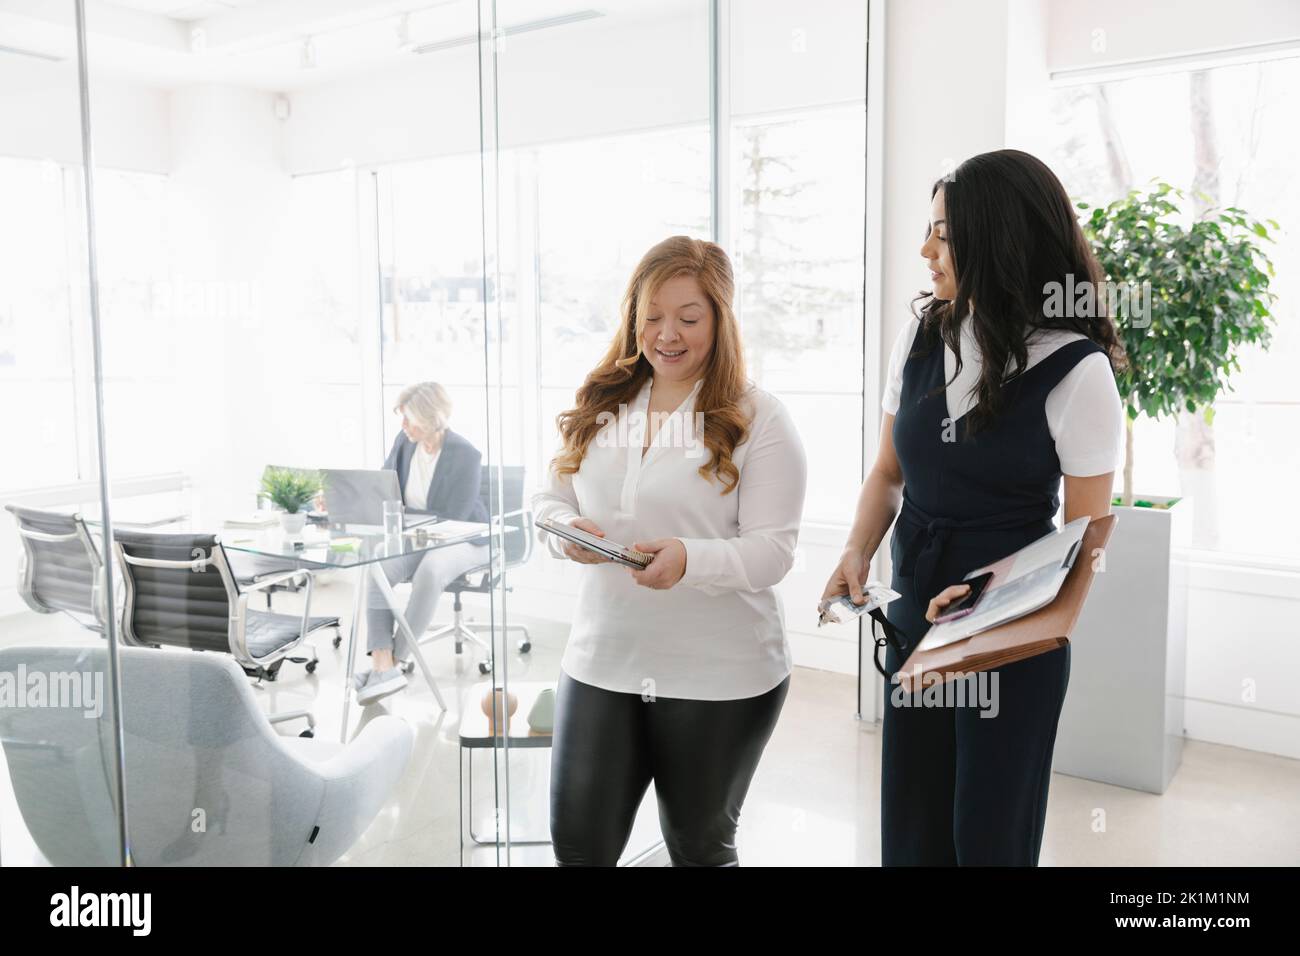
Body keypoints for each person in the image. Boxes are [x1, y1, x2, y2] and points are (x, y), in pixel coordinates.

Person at [822, 149, 1125, 865]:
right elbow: (889, 473)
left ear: (1000, 240)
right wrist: (856, 551)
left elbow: (1086, 543)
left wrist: (987, 593)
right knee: (914, 830)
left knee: (987, 838)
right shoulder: (921, 337)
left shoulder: (1077, 371)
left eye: (944, 235)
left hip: (1011, 633)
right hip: (915, 615)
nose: (925, 251)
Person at [533, 235, 807, 866]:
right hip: (603, 657)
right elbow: (548, 500)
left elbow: (772, 553)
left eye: (690, 317)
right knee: (578, 845)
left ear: (722, 319)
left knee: (698, 848)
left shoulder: (758, 417)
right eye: (652, 316)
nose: (668, 335)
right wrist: (565, 534)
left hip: (719, 672)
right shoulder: (604, 400)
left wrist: (690, 559)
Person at [354, 381, 489, 705]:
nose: (403, 426)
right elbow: (384, 487)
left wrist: (408, 514)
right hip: (418, 534)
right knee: (377, 565)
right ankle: (381, 663)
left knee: (431, 571)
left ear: (431, 419)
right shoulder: (404, 442)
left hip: (463, 536)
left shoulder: (465, 454)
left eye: (409, 419)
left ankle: (390, 666)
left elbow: (453, 515)